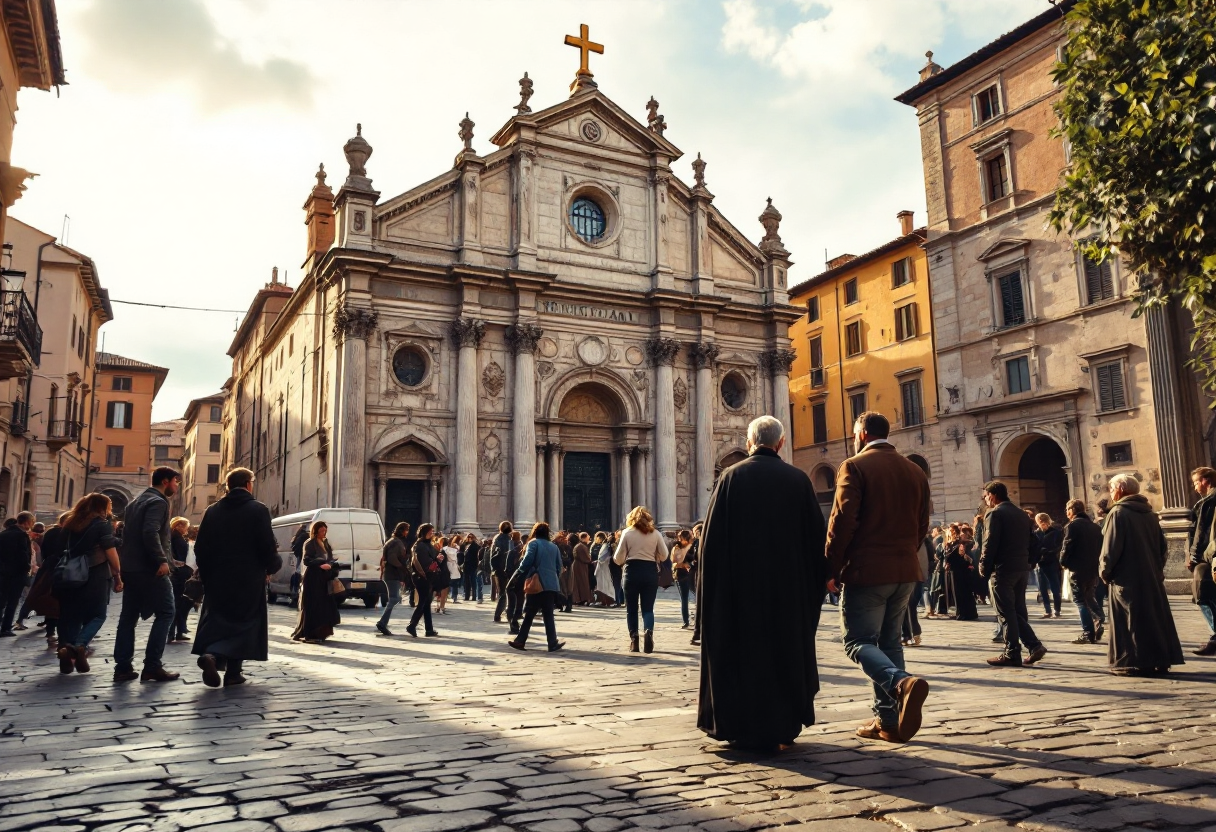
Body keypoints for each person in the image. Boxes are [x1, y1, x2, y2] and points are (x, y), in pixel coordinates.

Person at [698, 415, 826, 751]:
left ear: (749, 441)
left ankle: (738, 723)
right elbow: (816, 542)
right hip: (788, 596)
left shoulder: (729, 478)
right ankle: (783, 724)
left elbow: (709, 546)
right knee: (783, 654)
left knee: (741, 654)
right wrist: (814, 589)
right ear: (781, 443)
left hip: (737, 595)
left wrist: (709, 601)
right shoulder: (798, 481)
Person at [824, 412, 930, 744]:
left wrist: (831, 568)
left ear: (863, 434)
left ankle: (901, 683)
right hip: (906, 570)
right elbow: (922, 525)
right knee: (889, 643)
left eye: (855, 433)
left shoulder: (854, 466)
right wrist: (905, 555)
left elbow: (842, 521)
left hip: (868, 571)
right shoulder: (914, 470)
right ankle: (888, 722)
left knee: (857, 642)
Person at [192, 467, 282, 687]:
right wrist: (272, 566)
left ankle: (213, 656)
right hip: (248, 578)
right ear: (249, 484)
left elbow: (200, 548)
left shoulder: (212, 511)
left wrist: (206, 574)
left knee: (218, 620)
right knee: (245, 623)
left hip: (217, 578)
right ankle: (232, 672)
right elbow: (266, 544)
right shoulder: (258, 510)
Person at [1101, 473, 1185, 676]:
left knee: (1130, 620)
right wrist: (1156, 570)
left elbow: (1110, 549)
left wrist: (1105, 572)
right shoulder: (1150, 514)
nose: (1111, 493)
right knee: (1153, 618)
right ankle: (1160, 659)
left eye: (1112, 489)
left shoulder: (1118, 513)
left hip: (1125, 577)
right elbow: (1162, 548)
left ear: (1120, 489)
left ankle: (1133, 662)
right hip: (1150, 576)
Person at [113, 467, 182, 683]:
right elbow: (150, 532)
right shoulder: (159, 502)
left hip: (131, 567)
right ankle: (152, 666)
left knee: (128, 617)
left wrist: (169, 559)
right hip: (149, 568)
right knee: (167, 612)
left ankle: (122, 667)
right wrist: (161, 560)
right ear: (165, 481)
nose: (176, 486)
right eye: (175, 482)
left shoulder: (135, 502)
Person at [978, 481, 1047, 668]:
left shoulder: (994, 513)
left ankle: (1012, 653)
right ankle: (1034, 646)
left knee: (1005, 612)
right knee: (1015, 611)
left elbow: (990, 542)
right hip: (1021, 569)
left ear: (992, 495)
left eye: (985, 496)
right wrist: (1030, 562)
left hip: (1002, 569)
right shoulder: (1020, 514)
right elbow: (1034, 542)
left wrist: (984, 565)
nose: (985, 500)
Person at [54, 495, 121, 674]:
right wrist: (117, 573)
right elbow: (110, 551)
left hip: (70, 573)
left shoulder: (70, 523)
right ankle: (79, 646)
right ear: (102, 507)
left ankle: (67, 656)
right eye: (109, 505)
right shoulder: (101, 523)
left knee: (73, 616)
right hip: (95, 573)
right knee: (98, 615)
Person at [613, 506, 668, 653]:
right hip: (650, 572)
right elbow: (664, 555)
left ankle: (634, 641)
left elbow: (618, 558)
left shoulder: (627, 533)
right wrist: (654, 555)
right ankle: (648, 631)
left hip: (632, 571)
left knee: (631, 609)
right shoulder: (655, 534)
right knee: (648, 608)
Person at [506, 522, 566, 652]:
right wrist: (553, 577)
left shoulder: (533, 544)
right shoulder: (554, 547)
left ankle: (520, 641)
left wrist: (519, 573)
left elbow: (526, 562)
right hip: (551, 585)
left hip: (536, 583)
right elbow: (559, 567)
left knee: (530, 613)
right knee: (548, 614)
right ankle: (552, 642)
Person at [1060, 499, 1105, 645]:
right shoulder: (1095, 527)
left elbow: (1067, 546)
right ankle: (1098, 619)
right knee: (1089, 596)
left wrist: (1063, 562)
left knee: (1080, 600)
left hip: (1077, 569)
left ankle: (1088, 632)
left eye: (1067, 510)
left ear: (1072, 510)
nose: (1066, 513)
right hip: (1092, 568)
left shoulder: (1073, 526)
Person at [291, 521, 343, 643]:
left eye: (325, 531)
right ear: (315, 531)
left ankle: (322, 632)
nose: (323, 533)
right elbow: (307, 560)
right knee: (313, 606)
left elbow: (329, 558)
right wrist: (320, 564)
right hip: (313, 579)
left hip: (324, 579)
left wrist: (331, 565)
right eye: (321, 531)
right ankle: (311, 634)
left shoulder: (326, 543)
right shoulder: (309, 543)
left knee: (324, 606)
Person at [25, 513, 67, 647]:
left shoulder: (49, 533)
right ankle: (61, 633)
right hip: (63, 569)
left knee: (50, 599)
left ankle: (50, 632)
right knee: (61, 601)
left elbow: (44, 551)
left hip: (48, 567)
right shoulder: (68, 533)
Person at [1186, 467, 1216, 656]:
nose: (1195, 487)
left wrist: (1195, 558)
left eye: (1196, 482)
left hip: (1209, 556)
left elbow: (1201, 533)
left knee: (1202, 595)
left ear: (1206, 481)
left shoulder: (1208, 502)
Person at [0, 512, 35, 636]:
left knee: (2, 600)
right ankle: (5, 628)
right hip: (17, 574)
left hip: (3, 573)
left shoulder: (3, 534)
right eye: (32, 522)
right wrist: (27, 568)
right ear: (26, 522)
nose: (32, 525)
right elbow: (23, 555)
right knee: (12, 602)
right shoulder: (21, 536)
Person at [406, 524, 440, 638]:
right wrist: (435, 561)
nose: (432, 533)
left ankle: (429, 629)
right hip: (422, 577)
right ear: (424, 532)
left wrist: (438, 559)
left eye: (433, 532)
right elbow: (425, 562)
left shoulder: (427, 544)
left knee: (427, 602)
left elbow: (433, 557)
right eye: (430, 532)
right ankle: (412, 625)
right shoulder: (420, 545)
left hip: (427, 576)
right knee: (424, 602)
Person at [377, 522, 411, 636]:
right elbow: (392, 558)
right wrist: (402, 567)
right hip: (393, 574)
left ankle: (383, 622)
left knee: (395, 598)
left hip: (392, 574)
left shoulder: (394, 541)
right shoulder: (395, 542)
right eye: (406, 530)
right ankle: (382, 622)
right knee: (394, 598)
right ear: (401, 530)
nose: (407, 532)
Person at [168, 517, 193, 643]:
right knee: (180, 602)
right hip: (180, 573)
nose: (186, 530)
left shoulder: (174, 537)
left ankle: (178, 630)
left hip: (178, 573)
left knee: (178, 602)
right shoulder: (177, 539)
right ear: (178, 526)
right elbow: (182, 556)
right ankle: (175, 631)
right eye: (185, 527)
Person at [1034, 514, 1064, 619]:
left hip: (1052, 562)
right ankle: (1048, 610)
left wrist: (1048, 551)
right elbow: (1034, 547)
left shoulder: (1055, 532)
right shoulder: (1036, 533)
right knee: (1042, 589)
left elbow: (1059, 546)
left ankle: (1057, 610)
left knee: (1055, 587)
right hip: (1040, 563)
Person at [671, 530, 694, 628]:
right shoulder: (676, 548)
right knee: (684, 599)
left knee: (693, 597)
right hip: (681, 574)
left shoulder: (692, 547)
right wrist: (681, 564)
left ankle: (692, 620)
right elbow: (673, 561)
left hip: (691, 573)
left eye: (681, 538)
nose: (680, 540)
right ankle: (686, 621)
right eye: (679, 538)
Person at [491, 522, 514, 622]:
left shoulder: (496, 538)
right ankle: (508, 614)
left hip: (498, 570)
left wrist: (493, 569)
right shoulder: (510, 540)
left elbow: (492, 556)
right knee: (508, 593)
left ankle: (498, 614)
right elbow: (511, 555)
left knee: (502, 593)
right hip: (507, 569)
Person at [570, 532, 594, 606]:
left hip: (578, 565)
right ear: (584, 537)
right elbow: (586, 558)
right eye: (587, 536)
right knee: (582, 582)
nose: (589, 537)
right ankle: (582, 598)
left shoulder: (579, 546)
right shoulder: (582, 546)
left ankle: (579, 598)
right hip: (580, 566)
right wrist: (590, 560)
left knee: (578, 582)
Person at [592, 532, 615, 606]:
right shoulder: (606, 546)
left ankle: (605, 600)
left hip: (603, 567)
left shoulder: (605, 546)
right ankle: (606, 600)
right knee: (604, 583)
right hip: (604, 567)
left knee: (603, 583)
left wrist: (599, 561)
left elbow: (601, 558)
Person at [554, 531, 574, 613]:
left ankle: (564, 605)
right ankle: (565, 605)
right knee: (566, 587)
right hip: (567, 568)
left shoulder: (557, 546)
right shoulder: (566, 546)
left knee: (563, 587)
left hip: (563, 568)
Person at [461, 533, 482, 603]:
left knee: (473, 581)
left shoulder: (476, 546)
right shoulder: (465, 545)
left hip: (473, 565)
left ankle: (474, 596)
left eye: (471, 537)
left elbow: (477, 556)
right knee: (466, 581)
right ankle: (467, 596)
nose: (469, 538)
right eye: (468, 537)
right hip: (466, 565)